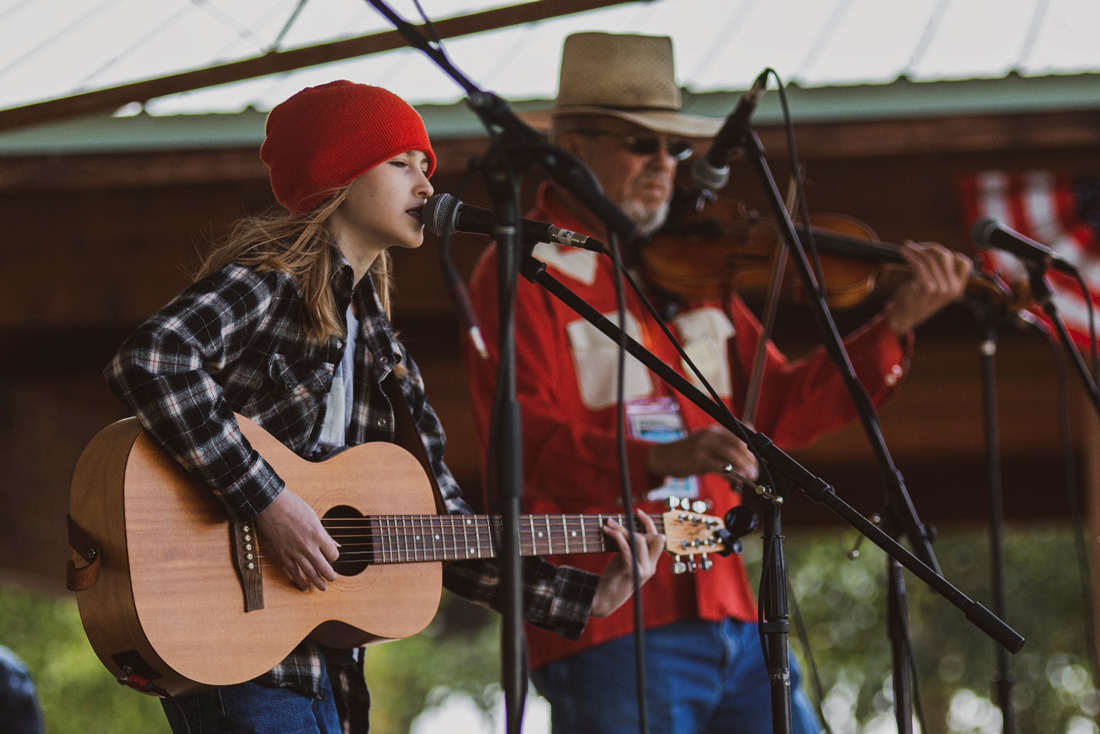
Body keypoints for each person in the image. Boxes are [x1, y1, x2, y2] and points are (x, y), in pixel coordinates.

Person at [103, 80, 665, 734]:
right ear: (335, 174)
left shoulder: (385, 348)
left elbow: (446, 528)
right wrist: (268, 501)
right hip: (238, 646)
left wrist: (588, 596)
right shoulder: (271, 279)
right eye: (401, 163)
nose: (427, 187)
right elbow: (151, 359)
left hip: (325, 668)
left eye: (427, 167)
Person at [462, 33, 973, 734]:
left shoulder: (687, 273)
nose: (665, 166)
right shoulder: (522, 270)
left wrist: (893, 324)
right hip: (618, 618)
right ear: (572, 146)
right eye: (642, 144)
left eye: (673, 149)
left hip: (729, 602)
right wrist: (659, 456)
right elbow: (520, 442)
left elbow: (781, 416)